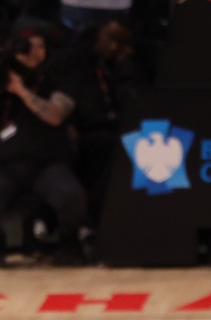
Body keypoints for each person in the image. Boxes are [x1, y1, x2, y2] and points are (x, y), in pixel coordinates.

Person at [0, 29, 84, 270]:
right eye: (27, 47)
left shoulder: (56, 77)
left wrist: (21, 90)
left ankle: (69, 242)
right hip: (4, 167)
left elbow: (55, 116)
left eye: (40, 46)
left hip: (47, 164)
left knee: (71, 196)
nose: (33, 53)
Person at [59, 19, 145, 229]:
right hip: (80, 130)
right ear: (99, 34)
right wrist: (66, 123)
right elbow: (61, 95)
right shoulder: (75, 61)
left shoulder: (117, 66)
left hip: (112, 129)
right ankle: (91, 217)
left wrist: (125, 68)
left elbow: (132, 103)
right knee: (109, 147)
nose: (114, 47)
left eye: (121, 43)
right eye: (111, 39)